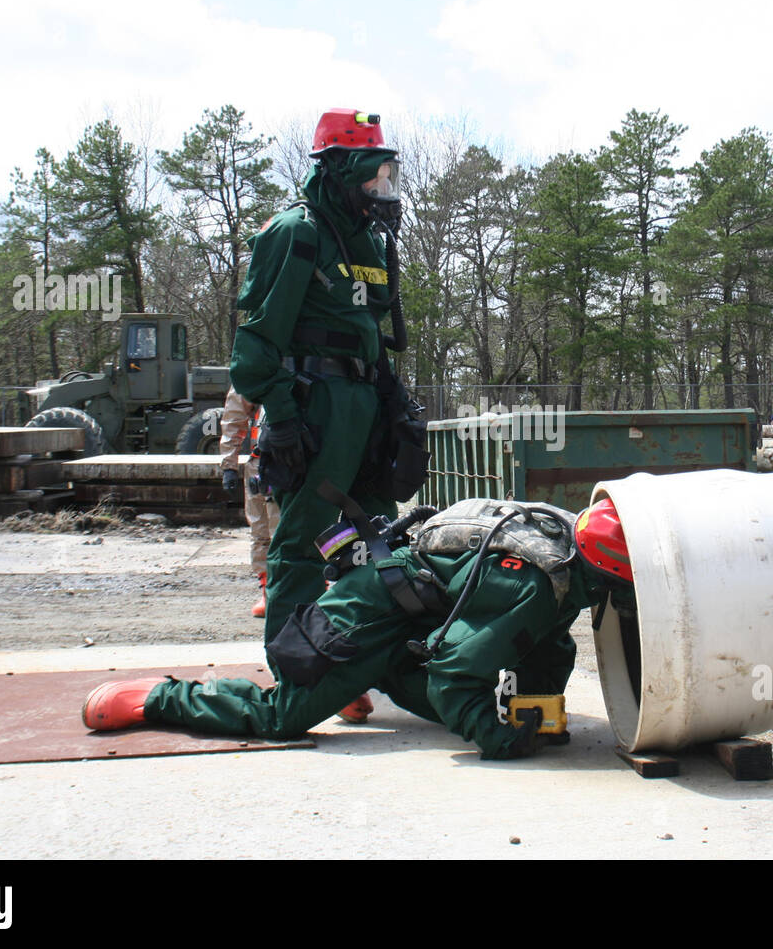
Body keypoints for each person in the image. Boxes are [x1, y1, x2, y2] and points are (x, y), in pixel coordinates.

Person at [80, 497, 634, 760]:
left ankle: (367, 679)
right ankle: (156, 698)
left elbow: (550, 644)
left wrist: (539, 713)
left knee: (455, 707)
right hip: (372, 609)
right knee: (284, 719)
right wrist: (502, 739)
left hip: (417, 614)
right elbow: (451, 675)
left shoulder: (569, 546)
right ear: (606, 571)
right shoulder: (534, 585)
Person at [229, 108, 409, 723]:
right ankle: (300, 675)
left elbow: (369, 328)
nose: (382, 192)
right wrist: (279, 414)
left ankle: (365, 661)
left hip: (366, 406)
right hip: (317, 404)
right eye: (371, 177)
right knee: (304, 541)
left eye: (386, 177)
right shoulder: (295, 233)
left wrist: (392, 401)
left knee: (375, 536)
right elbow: (255, 344)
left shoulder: (365, 240)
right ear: (336, 171)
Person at [220, 385, 279, 618]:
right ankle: (267, 591)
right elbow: (234, 415)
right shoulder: (255, 368)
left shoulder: (312, 361)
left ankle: (312, 589)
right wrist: (229, 465)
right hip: (262, 462)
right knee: (261, 531)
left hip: (305, 461)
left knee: (304, 531)